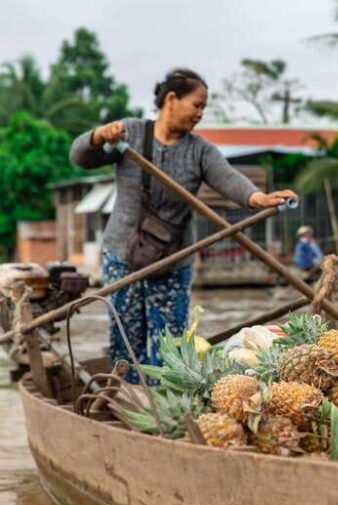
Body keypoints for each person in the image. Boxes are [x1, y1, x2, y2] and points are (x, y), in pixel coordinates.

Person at [70, 68, 295, 382]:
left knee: (171, 345)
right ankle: (128, 395)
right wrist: (98, 136)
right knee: (125, 337)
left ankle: (165, 401)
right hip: (124, 254)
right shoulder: (131, 133)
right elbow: (80, 155)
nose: (200, 113)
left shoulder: (199, 149)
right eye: (197, 105)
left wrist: (260, 198)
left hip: (174, 259)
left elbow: (228, 179)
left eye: (204, 107)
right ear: (171, 99)